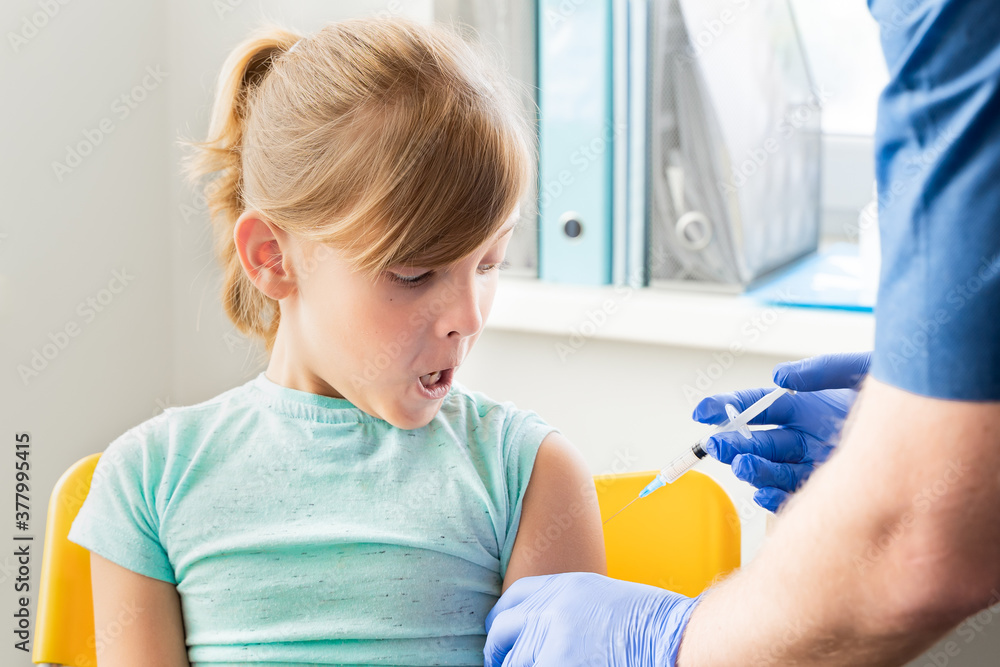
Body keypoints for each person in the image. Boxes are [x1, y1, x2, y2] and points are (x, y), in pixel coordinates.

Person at [66, 16, 605, 666]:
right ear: (272, 256)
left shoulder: (530, 477)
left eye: (488, 262)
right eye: (413, 273)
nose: (468, 314)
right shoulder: (148, 483)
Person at [484, 0, 1000, 664]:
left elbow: (919, 546)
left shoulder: (958, 32)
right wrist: (934, 413)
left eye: (487, 265)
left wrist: (671, 641)